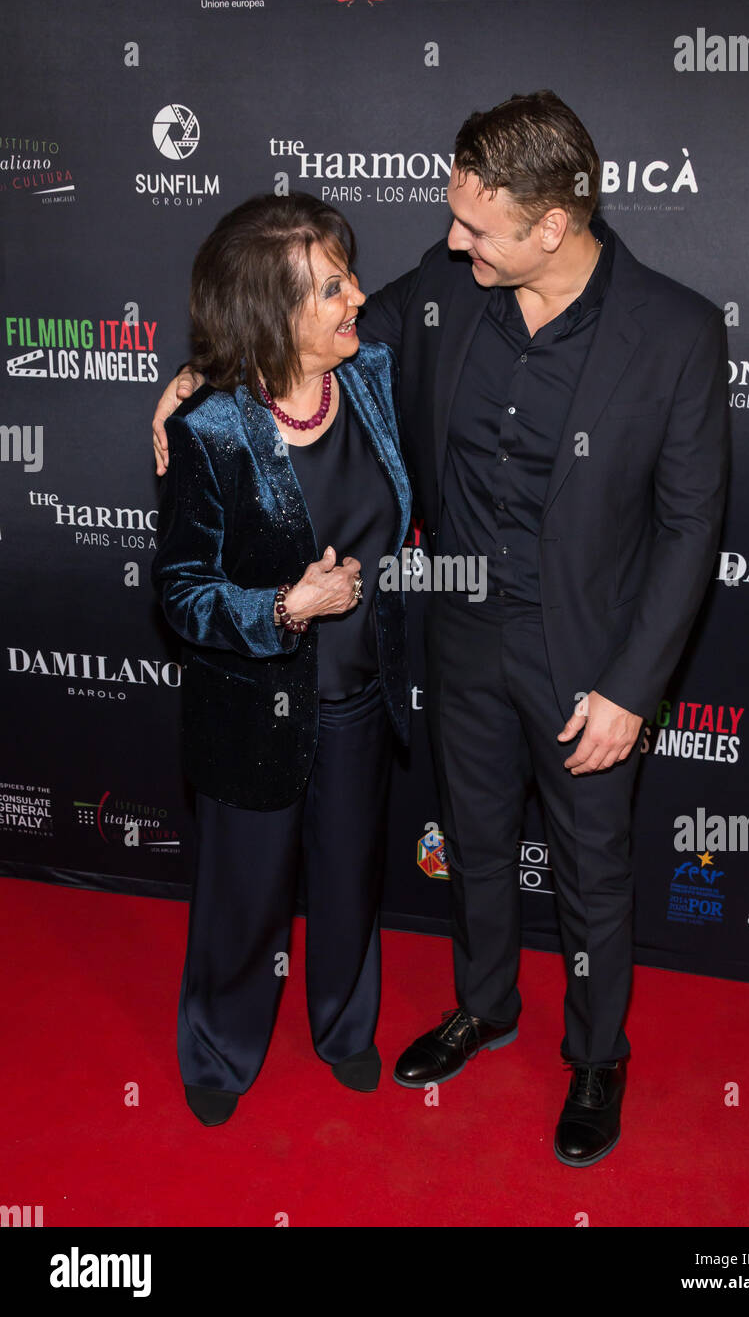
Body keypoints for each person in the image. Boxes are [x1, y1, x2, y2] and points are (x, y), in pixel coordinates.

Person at [153, 92, 729, 1164]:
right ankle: (484, 1005)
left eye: (473, 226)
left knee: (589, 865)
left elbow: (691, 526)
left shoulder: (677, 330)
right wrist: (196, 376)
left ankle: (596, 1056)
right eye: (451, 218)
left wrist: (630, 689)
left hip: (588, 659)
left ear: (547, 227)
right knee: (470, 845)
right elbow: (283, 340)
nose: (447, 239)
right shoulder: (447, 296)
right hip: (456, 636)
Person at [151, 192, 411, 1126]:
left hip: (360, 698)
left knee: (349, 878)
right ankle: (219, 1043)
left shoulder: (376, 374)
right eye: (332, 288)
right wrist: (283, 607)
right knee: (243, 891)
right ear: (272, 312)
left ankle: (345, 1027)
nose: (358, 299)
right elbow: (180, 593)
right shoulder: (212, 433)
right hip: (252, 704)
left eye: (349, 277)